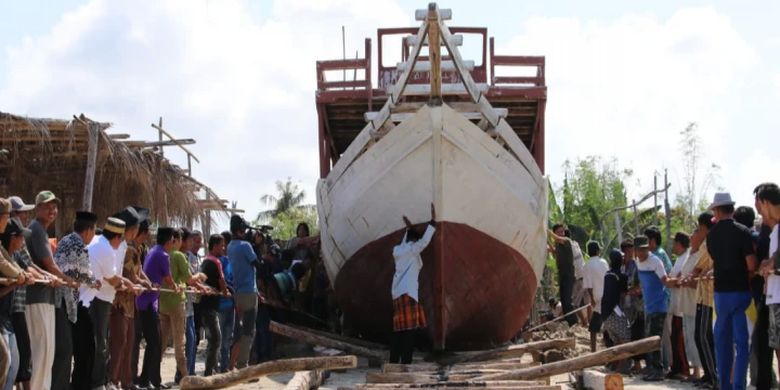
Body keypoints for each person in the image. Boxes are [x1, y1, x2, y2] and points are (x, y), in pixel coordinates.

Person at [82, 217, 139, 390]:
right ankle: (98, 382)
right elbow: (113, 279)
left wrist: (127, 283)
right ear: (116, 237)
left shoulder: (98, 241)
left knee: (97, 342)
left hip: (94, 298)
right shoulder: (106, 249)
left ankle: (98, 381)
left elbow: (113, 277)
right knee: (100, 344)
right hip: (97, 299)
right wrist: (128, 286)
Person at [707, 192, 757, 390]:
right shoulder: (743, 231)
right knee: (742, 343)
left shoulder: (711, 236)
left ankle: (724, 385)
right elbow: (751, 264)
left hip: (720, 294)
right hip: (741, 293)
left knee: (722, 343)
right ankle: (739, 386)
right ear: (732, 209)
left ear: (717, 211)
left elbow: (715, 259)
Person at [51, 211, 100, 390]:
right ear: (88, 230)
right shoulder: (78, 245)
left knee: (71, 348)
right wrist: (95, 282)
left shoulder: (65, 240)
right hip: (65, 302)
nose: (93, 235)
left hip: (66, 301)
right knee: (67, 350)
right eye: (94, 231)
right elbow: (81, 272)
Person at [24, 190, 65, 390]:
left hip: (43, 298)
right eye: (47, 206)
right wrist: (69, 281)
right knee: (42, 351)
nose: (52, 209)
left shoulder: (40, 229)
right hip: (37, 298)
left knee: (45, 352)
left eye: (54, 206)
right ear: (37, 208)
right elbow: (49, 265)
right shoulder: (37, 229)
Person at [110, 210, 153, 390]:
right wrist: (140, 282)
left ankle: (126, 381)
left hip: (130, 303)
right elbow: (129, 274)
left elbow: (138, 271)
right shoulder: (125, 248)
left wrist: (146, 282)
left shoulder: (137, 249)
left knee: (129, 343)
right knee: (119, 343)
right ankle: (112, 380)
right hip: (119, 302)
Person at [390, 204, 436, 364]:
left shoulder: (398, 251)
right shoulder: (412, 250)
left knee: (398, 330)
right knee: (409, 331)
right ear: (412, 241)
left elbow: (409, 240)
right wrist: (433, 223)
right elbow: (423, 243)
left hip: (397, 294)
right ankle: (406, 363)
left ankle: (393, 361)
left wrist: (409, 227)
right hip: (409, 293)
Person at [160, 228, 206, 383]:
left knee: (163, 342)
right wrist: (200, 276)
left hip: (164, 302)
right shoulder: (179, 255)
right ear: (179, 240)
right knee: (181, 344)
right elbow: (189, 279)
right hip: (177, 303)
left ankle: (154, 376)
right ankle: (186, 377)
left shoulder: (164, 254)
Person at [136, 227, 180, 390]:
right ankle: (148, 380)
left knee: (154, 342)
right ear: (170, 241)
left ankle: (149, 379)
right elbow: (169, 280)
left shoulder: (153, 250)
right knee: (155, 343)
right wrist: (176, 287)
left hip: (147, 302)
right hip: (147, 303)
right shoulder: (162, 255)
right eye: (174, 241)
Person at [0, 204, 34, 390]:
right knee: (5, 358)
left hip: (6, 319)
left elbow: (18, 269)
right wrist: (17, 280)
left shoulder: (8, 253)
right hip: (2, 319)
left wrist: (19, 277)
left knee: (13, 363)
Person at [8, 196, 38, 390]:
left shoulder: (18, 243)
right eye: (22, 213)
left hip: (17, 303)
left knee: (21, 352)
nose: (26, 216)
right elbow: (24, 268)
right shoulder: (9, 246)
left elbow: (29, 266)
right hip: (10, 306)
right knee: (16, 353)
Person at [634, 235, 668, 381]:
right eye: (640, 250)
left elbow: (665, 281)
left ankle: (659, 370)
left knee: (655, 339)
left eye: (645, 249)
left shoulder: (655, 261)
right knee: (648, 338)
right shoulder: (637, 262)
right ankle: (652, 367)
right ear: (635, 250)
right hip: (648, 306)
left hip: (659, 306)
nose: (642, 253)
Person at [228, 215, 260, 368]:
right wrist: (258, 245)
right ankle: (243, 364)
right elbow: (257, 264)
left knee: (238, 331)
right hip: (249, 293)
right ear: (241, 230)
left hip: (237, 293)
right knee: (249, 331)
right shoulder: (246, 246)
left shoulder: (230, 246)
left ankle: (230, 363)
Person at [757, 184, 780, 387]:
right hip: (774, 297)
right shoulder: (774, 230)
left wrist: (772, 264)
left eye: (760, 205)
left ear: (765, 202)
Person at [200, 234, 230, 376]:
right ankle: (208, 373)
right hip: (210, 307)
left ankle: (210, 370)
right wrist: (226, 292)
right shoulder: (216, 262)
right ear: (215, 246)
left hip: (204, 305)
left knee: (212, 339)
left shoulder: (205, 260)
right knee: (216, 338)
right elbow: (221, 282)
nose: (224, 248)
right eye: (222, 245)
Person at [665, 232, 691, 380]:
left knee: (680, 339)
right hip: (676, 305)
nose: (673, 246)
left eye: (675, 243)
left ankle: (684, 369)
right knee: (674, 338)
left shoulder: (686, 258)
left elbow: (677, 279)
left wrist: (670, 281)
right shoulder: (679, 259)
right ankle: (677, 368)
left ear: (680, 244)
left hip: (682, 307)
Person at [601, 249, 630, 372]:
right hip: (614, 311)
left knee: (616, 340)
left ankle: (615, 364)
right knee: (626, 338)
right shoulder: (621, 276)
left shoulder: (608, 275)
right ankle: (622, 366)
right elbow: (624, 292)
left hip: (605, 313)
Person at [621, 239, 644, 373]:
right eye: (627, 251)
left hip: (636, 305)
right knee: (627, 334)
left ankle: (637, 364)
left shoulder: (636, 265)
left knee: (636, 333)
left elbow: (639, 286)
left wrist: (630, 291)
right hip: (625, 305)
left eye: (631, 251)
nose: (630, 254)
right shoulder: (622, 266)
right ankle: (629, 362)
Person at [548, 224, 578, 327]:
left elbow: (556, 238)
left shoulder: (566, 240)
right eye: (560, 232)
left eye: (563, 231)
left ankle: (574, 323)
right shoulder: (558, 244)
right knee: (564, 302)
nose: (562, 233)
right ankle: (572, 324)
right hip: (562, 276)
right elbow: (553, 252)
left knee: (567, 302)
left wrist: (545, 230)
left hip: (568, 275)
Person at [582, 240, 608, 352]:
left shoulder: (586, 265)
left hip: (597, 297)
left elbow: (588, 286)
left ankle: (593, 350)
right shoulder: (604, 262)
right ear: (597, 251)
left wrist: (592, 299)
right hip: (607, 295)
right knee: (606, 325)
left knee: (593, 328)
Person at [216, 231, 235, 373]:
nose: (224, 248)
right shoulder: (218, 261)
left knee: (228, 338)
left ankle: (224, 365)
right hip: (221, 305)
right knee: (221, 338)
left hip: (231, 304)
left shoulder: (229, 261)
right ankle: (219, 366)